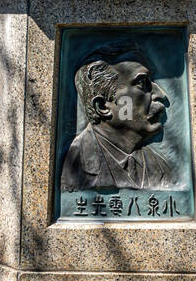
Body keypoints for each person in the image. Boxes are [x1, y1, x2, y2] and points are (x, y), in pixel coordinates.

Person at [61, 43, 171, 191]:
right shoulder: (75, 166)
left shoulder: (159, 166)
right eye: (141, 83)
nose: (161, 95)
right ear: (102, 106)